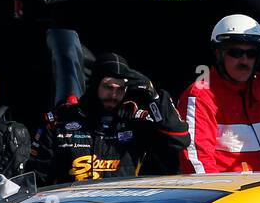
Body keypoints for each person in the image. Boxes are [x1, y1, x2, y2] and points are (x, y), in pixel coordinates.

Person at [31, 51, 189, 184]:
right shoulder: (60, 121)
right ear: (94, 85)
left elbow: (179, 140)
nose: (113, 95)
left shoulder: (135, 121)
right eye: (108, 87)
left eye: (120, 89)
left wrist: (153, 96)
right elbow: (37, 179)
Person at [179, 16, 260, 174]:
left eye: (251, 53)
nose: (244, 60)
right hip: (226, 195)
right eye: (235, 53)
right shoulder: (201, 95)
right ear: (218, 53)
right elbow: (197, 161)